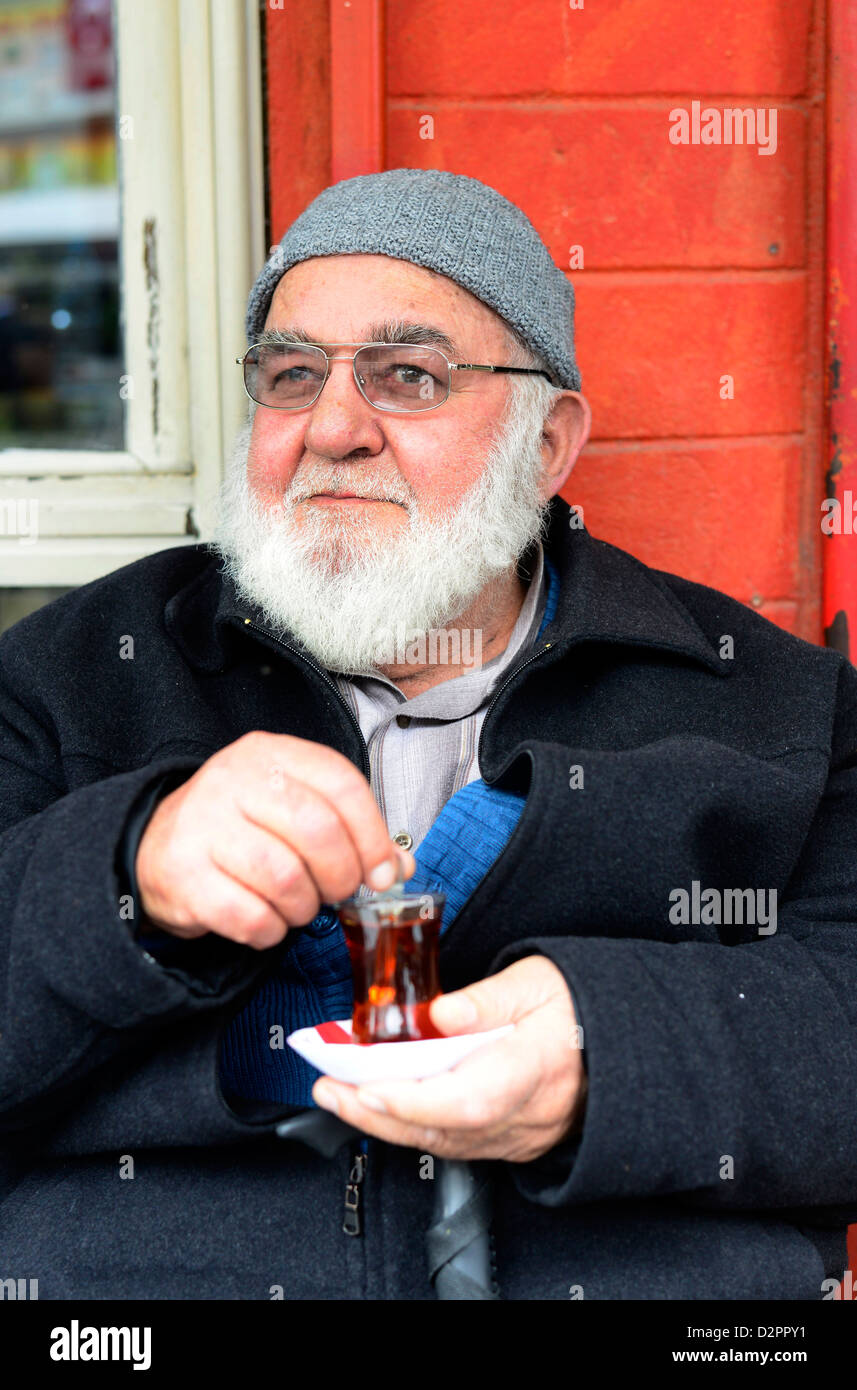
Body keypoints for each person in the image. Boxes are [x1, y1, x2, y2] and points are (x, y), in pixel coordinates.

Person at [1, 168, 855, 1301]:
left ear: (547, 444)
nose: (334, 428)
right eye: (291, 374)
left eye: (408, 375)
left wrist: (611, 1058)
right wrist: (125, 874)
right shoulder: (69, 679)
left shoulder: (770, 706)